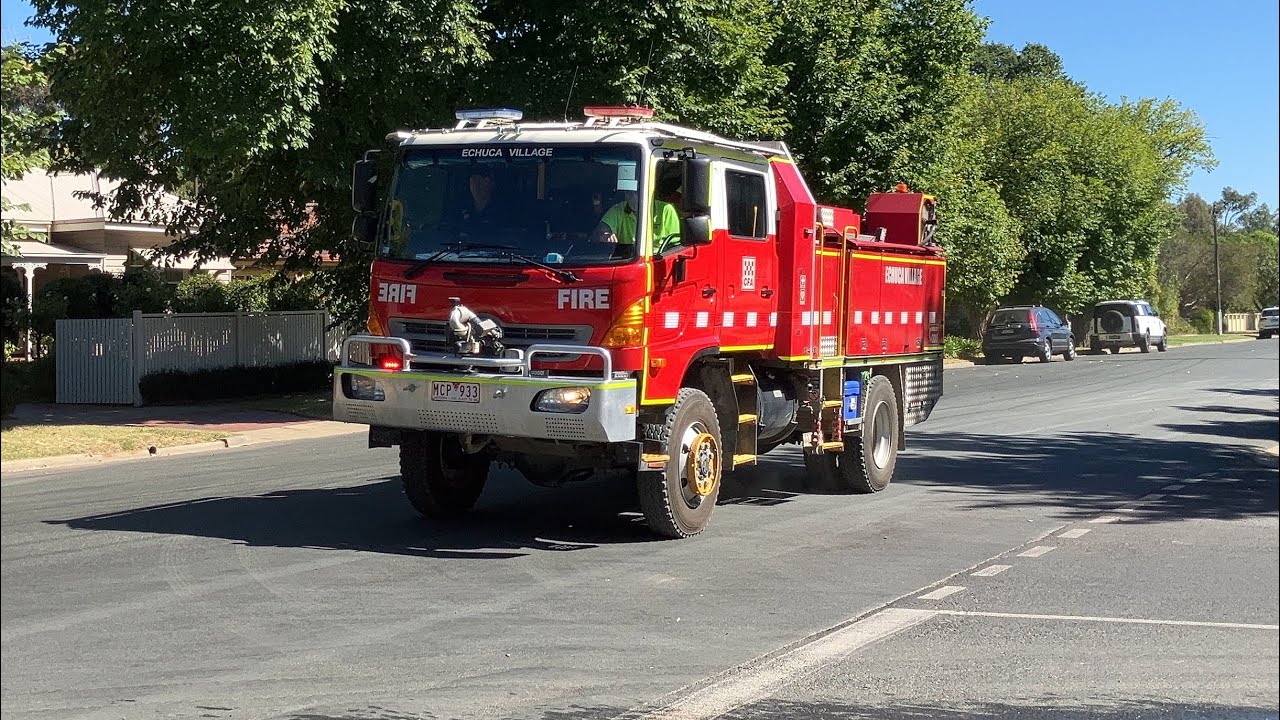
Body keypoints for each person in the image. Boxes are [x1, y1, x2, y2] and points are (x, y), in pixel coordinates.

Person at [590, 189, 681, 253]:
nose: (633, 196)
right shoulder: (618, 210)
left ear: (649, 190)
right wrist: (604, 235)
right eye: (629, 193)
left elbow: (676, 246)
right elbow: (599, 232)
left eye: (637, 192)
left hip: (658, 262)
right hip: (628, 262)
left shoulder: (666, 210)